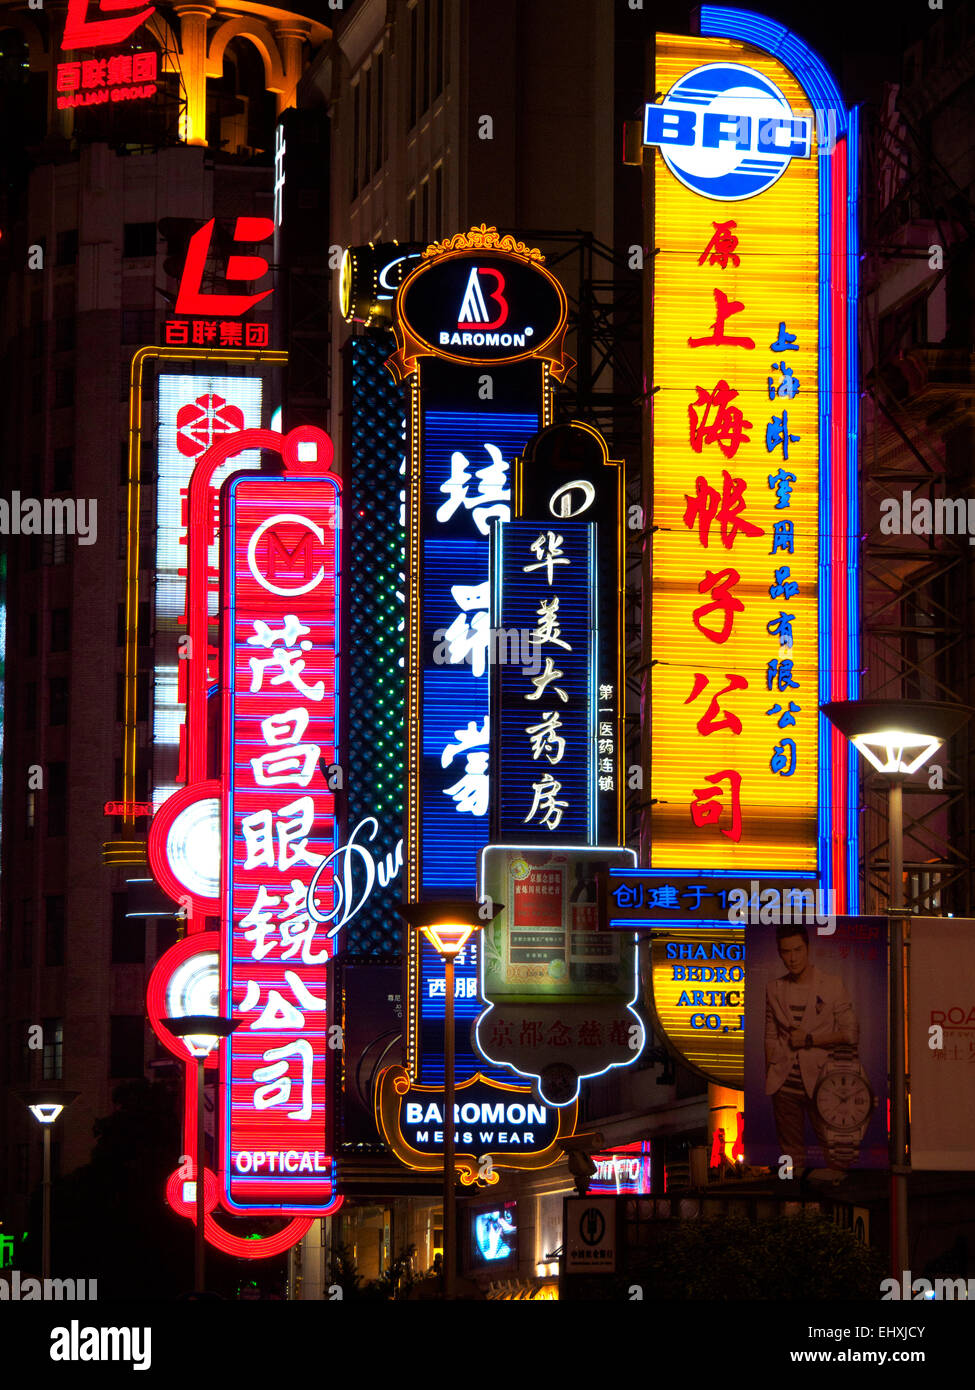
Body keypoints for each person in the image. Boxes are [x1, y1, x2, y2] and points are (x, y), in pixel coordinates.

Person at [764, 923, 858, 1170]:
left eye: (797, 950)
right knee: (791, 1156)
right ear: (779, 952)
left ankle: (835, 1200)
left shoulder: (832, 985)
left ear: (808, 949)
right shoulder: (774, 988)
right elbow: (770, 1032)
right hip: (783, 1084)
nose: (792, 958)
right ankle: (794, 1204)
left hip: (822, 1082)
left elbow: (851, 1033)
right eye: (786, 952)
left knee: (834, 1152)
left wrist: (810, 1040)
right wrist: (772, 1067)